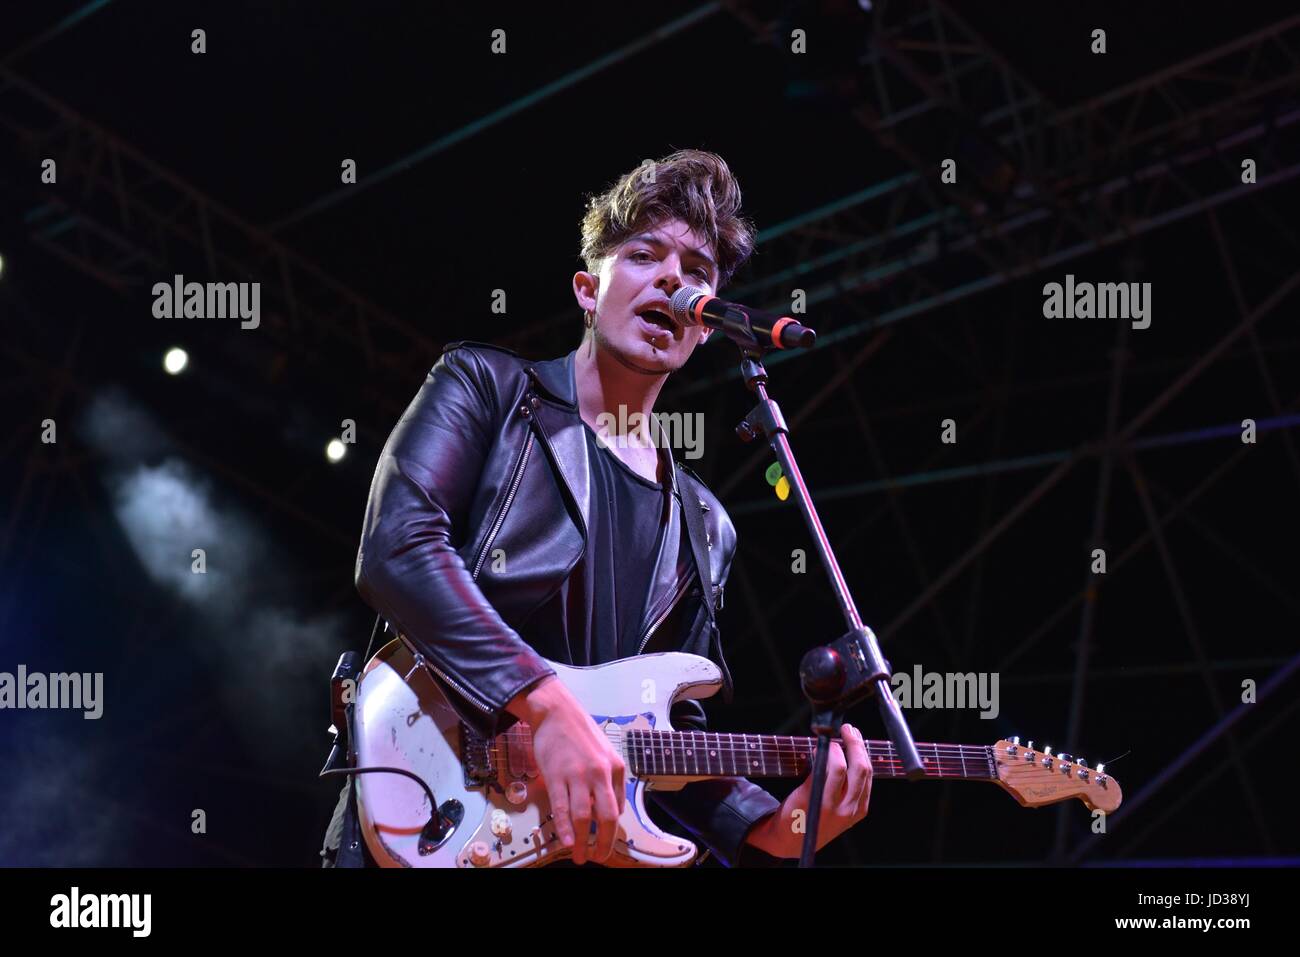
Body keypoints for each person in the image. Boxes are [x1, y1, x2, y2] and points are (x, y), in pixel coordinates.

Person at [320, 149, 871, 867]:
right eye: (645, 254)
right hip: (429, 805)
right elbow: (398, 546)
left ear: (706, 327)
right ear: (588, 289)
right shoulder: (486, 387)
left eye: (698, 272)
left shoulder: (706, 525)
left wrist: (779, 823)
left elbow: (671, 733)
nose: (674, 279)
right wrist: (544, 703)